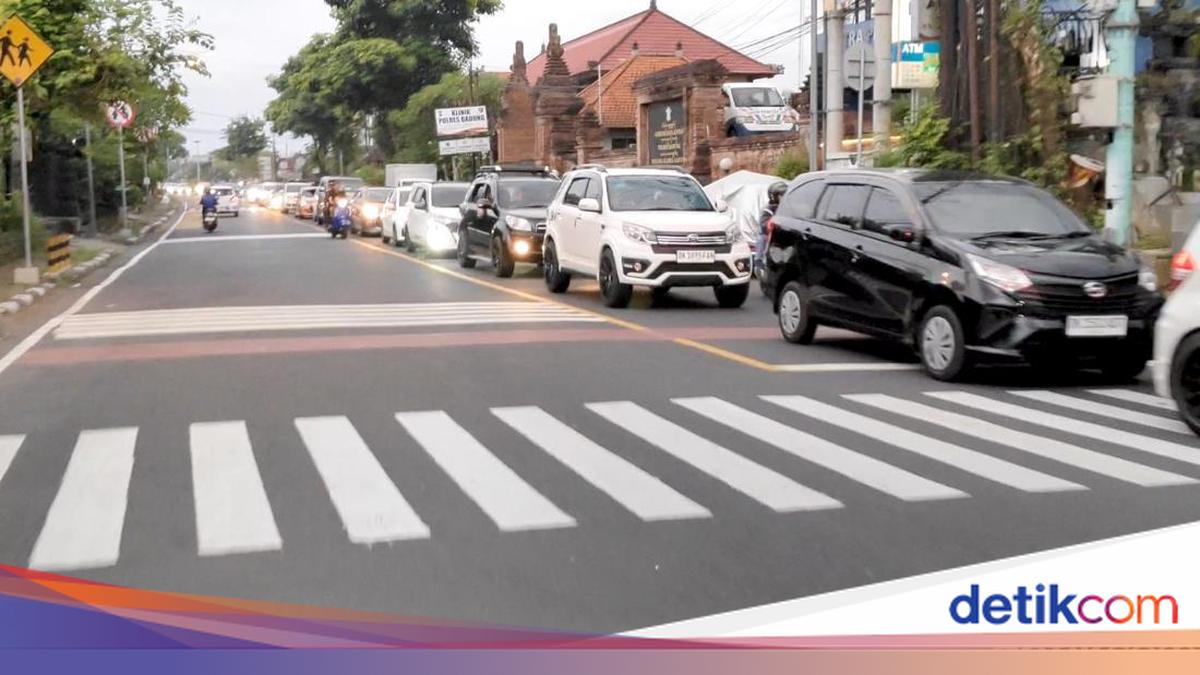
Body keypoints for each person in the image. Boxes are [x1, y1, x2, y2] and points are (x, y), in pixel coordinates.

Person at [757, 181, 788, 275]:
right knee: (762, 237)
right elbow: (764, 224)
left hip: (785, 233)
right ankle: (759, 260)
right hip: (771, 234)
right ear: (773, 196)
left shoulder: (789, 207)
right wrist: (770, 224)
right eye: (781, 195)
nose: (783, 198)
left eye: (785, 195)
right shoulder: (768, 209)